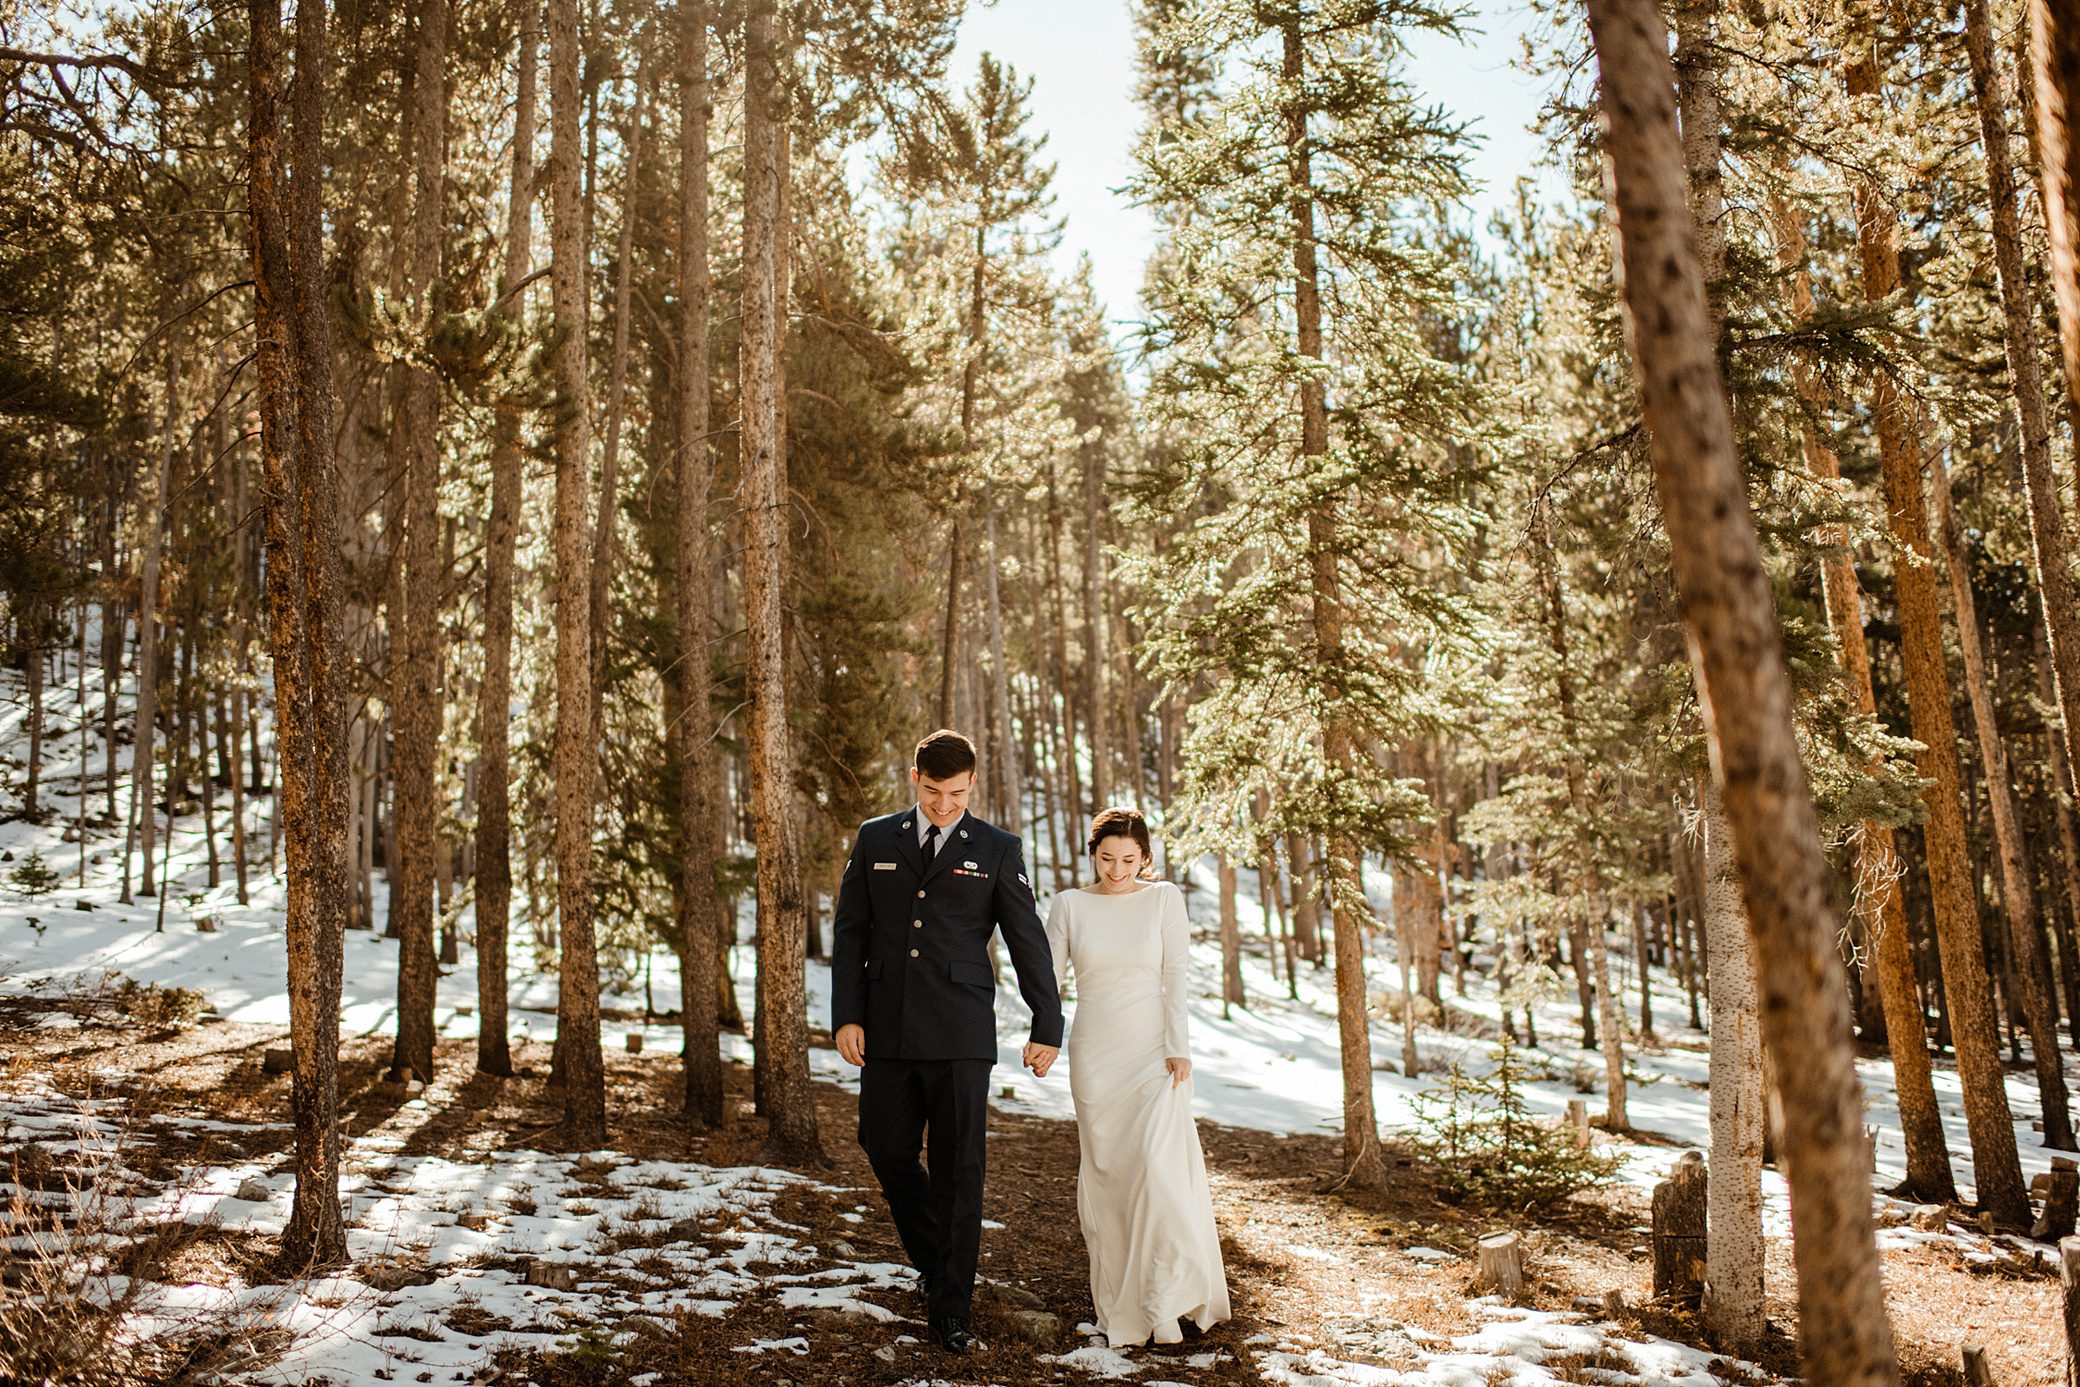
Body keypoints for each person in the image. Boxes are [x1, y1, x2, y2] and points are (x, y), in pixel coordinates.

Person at [830, 729, 1063, 1356]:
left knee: (961, 1169)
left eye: (957, 794)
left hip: (961, 1030)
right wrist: (846, 1016)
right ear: (915, 778)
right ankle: (940, 1260)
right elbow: (852, 931)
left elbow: (1026, 939)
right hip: (886, 1027)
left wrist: (1048, 1023)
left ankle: (951, 1305)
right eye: (933, 792)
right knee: (883, 1147)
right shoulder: (877, 837)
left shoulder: (996, 847)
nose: (943, 805)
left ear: (973, 785)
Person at [1045, 807, 1230, 1349]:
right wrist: (1044, 1037)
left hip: (1154, 1052)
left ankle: (1165, 1299)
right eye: (1107, 858)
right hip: (1095, 1053)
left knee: (1157, 1171)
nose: (1117, 869)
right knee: (1111, 1178)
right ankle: (1125, 1306)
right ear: (1092, 855)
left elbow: (1177, 974)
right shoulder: (1070, 906)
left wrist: (1178, 1046)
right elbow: (1047, 979)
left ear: (1145, 858)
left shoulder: (1163, 899)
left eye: (1129, 859)